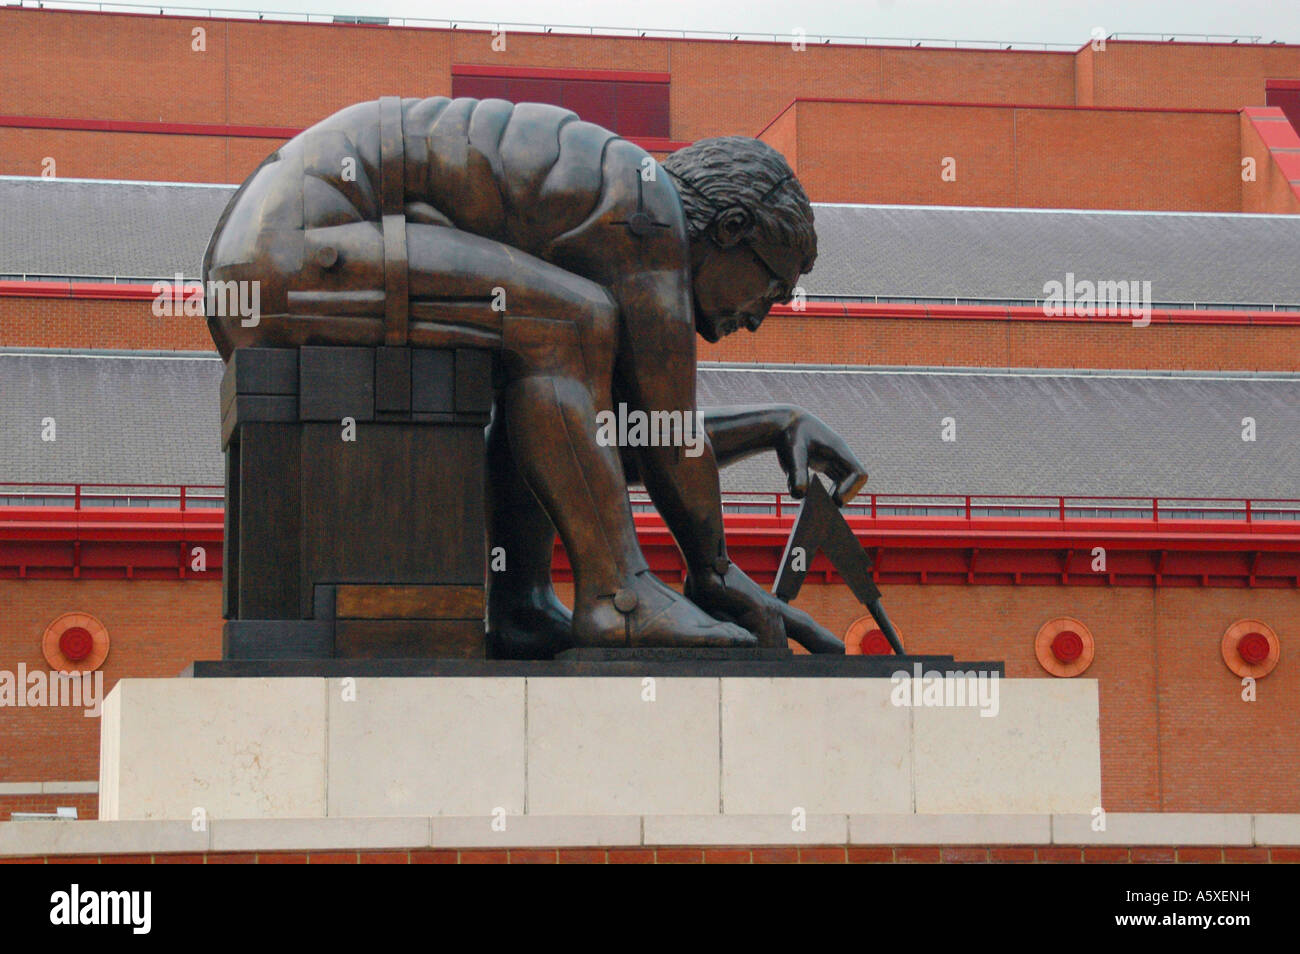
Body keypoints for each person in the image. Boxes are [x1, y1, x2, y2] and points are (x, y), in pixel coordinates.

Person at [205, 96, 867, 656]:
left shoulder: (618, 194)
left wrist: (775, 425)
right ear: (730, 228)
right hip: (289, 255)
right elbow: (666, 434)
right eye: (769, 290)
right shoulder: (647, 211)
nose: (756, 318)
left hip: (273, 261)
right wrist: (715, 570)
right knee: (569, 323)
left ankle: (519, 601)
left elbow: (594, 442)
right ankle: (621, 596)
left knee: (547, 355)